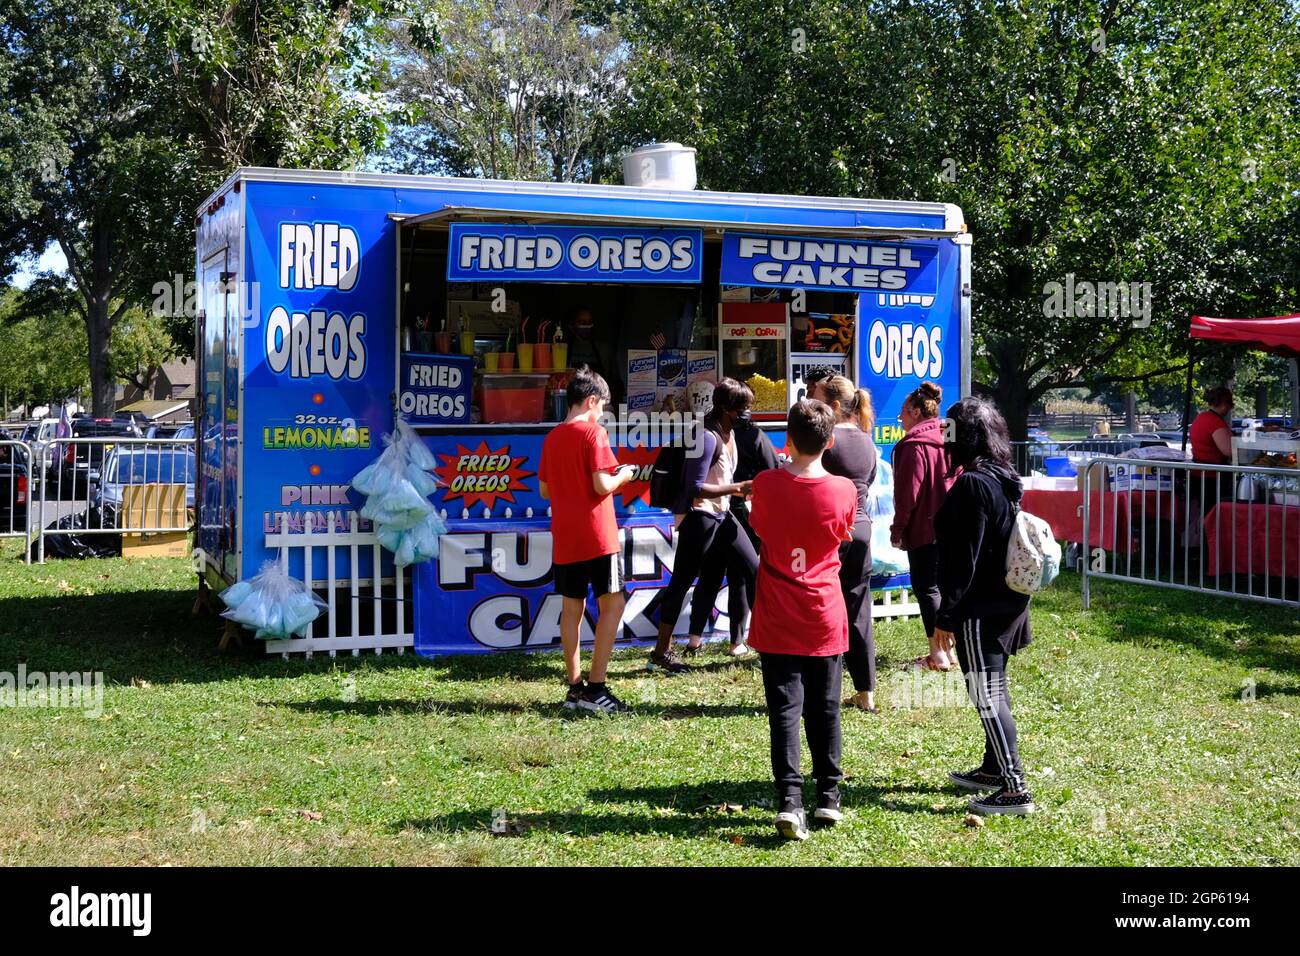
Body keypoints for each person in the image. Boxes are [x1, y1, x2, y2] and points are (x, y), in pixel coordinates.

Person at [748, 399, 858, 840]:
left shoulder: (766, 483)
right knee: (826, 709)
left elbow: (760, 530)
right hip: (823, 613)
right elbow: (845, 536)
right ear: (829, 443)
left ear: (787, 440)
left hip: (777, 613)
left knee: (784, 712)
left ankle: (790, 803)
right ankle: (828, 798)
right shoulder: (845, 490)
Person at [932, 397, 1036, 816]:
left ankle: (1014, 788)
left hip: (982, 607)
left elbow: (964, 561)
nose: (944, 437)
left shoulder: (974, 484)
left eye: (949, 430)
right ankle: (994, 770)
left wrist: (946, 616)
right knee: (994, 690)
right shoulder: (1002, 476)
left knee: (987, 695)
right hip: (1009, 602)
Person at [538, 367, 638, 714]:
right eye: (602, 407)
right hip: (597, 535)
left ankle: (575, 688)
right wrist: (624, 475)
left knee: (572, 609)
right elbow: (601, 484)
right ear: (592, 401)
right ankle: (597, 687)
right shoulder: (593, 433)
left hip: (565, 535)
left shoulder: (552, 437)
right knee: (613, 605)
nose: (602, 414)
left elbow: (545, 489)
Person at [649, 378, 759, 672]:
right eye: (742, 407)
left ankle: (769, 643)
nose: (746, 412)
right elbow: (695, 487)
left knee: (754, 568)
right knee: (682, 581)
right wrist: (737, 488)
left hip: (721, 515)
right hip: (699, 516)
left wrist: (734, 491)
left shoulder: (728, 432)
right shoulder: (705, 436)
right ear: (725, 407)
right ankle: (661, 652)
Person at [684, 401, 779, 657]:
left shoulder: (716, 432)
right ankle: (737, 641)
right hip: (736, 512)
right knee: (741, 575)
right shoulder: (748, 435)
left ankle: (695, 640)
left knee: (711, 575)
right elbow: (773, 469)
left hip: (718, 511)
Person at [810, 374, 879, 713]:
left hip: (833, 529)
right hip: (863, 528)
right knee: (859, 609)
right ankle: (866, 691)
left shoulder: (827, 440)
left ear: (835, 406)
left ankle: (827, 689)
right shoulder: (868, 441)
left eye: (818, 399)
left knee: (827, 610)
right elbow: (868, 482)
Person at [890, 382, 955, 671]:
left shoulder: (913, 446)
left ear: (915, 412)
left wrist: (897, 529)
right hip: (954, 527)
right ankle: (950, 650)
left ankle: (938, 654)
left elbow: (907, 496)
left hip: (925, 529)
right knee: (945, 588)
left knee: (927, 588)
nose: (900, 418)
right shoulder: (951, 439)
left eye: (903, 413)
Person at [1189, 385, 1235, 511]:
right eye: (1230, 404)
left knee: (1203, 513)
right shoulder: (1214, 422)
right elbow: (1229, 451)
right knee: (1212, 514)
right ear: (1224, 404)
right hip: (1212, 478)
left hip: (1199, 475)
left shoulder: (1201, 418)